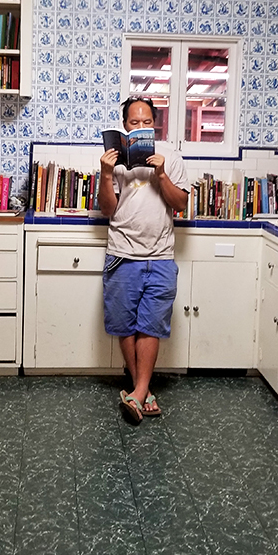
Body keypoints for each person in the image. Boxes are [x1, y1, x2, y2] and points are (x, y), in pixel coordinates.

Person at [99, 96, 189, 423]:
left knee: (151, 324)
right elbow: (108, 209)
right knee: (125, 324)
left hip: (161, 255)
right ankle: (143, 392)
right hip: (122, 253)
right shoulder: (115, 161)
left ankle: (136, 393)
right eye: (134, 123)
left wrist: (161, 173)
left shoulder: (171, 157)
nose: (141, 127)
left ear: (155, 124)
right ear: (125, 127)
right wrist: (106, 172)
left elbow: (179, 204)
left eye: (146, 122)